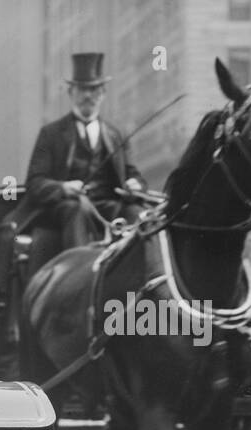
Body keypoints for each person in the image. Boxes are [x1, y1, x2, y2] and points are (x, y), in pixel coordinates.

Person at [17, 53, 147, 275]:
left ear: (103, 94)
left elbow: (133, 175)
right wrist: (63, 188)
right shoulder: (51, 134)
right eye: (82, 90)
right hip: (63, 207)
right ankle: (79, 274)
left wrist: (135, 186)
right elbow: (35, 182)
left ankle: (136, 277)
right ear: (71, 93)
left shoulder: (116, 135)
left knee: (135, 213)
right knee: (77, 209)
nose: (88, 96)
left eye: (94, 90)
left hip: (106, 206)